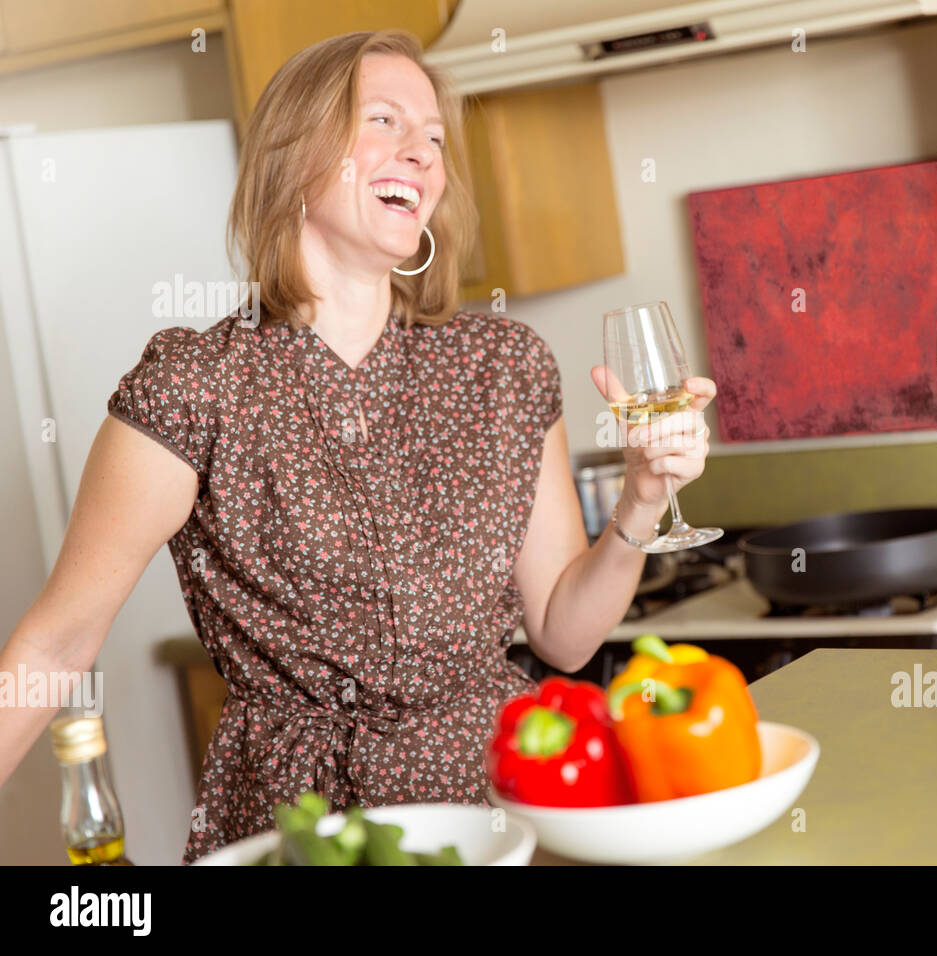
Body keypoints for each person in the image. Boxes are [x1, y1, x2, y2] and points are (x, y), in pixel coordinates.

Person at [0, 29, 715, 864]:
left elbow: (564, 634)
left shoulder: (503, 366)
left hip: (502, 804)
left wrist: (636, 504)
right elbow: (54, 645)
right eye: (385, 121)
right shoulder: (196, 386)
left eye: (436, 139)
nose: (421, 153)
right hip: (303, 823)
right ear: (294, 153)